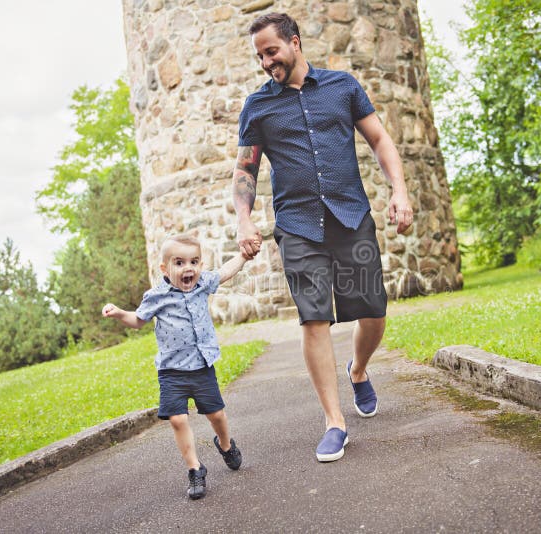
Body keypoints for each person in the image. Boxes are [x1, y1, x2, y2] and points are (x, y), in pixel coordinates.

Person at [232, 12, 413, 462]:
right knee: (314, 318)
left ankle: (359, 369)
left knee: (372, 312)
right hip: (296, 227)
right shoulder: (257, 107)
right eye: (259, 55)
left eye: (271, 51)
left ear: (294, 42)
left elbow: (379, 139)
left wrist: (399, 191)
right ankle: (334, 421)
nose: (265, 62)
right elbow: (245, 169)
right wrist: (244, 219)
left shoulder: (343, 86)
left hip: (350, 216)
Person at [102, 234, 253, 499]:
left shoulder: (203, 283)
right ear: (164, 268)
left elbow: (225, 273)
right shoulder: (156, 296)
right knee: (177, 418)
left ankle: (226, 445)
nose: (188, 268)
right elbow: (138, 320)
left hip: (201, 366)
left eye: (194, 261)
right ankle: (195, 469)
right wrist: (118, 313)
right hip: (171, 371)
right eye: (180, 263)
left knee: (216, 415)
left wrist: (243, 256)